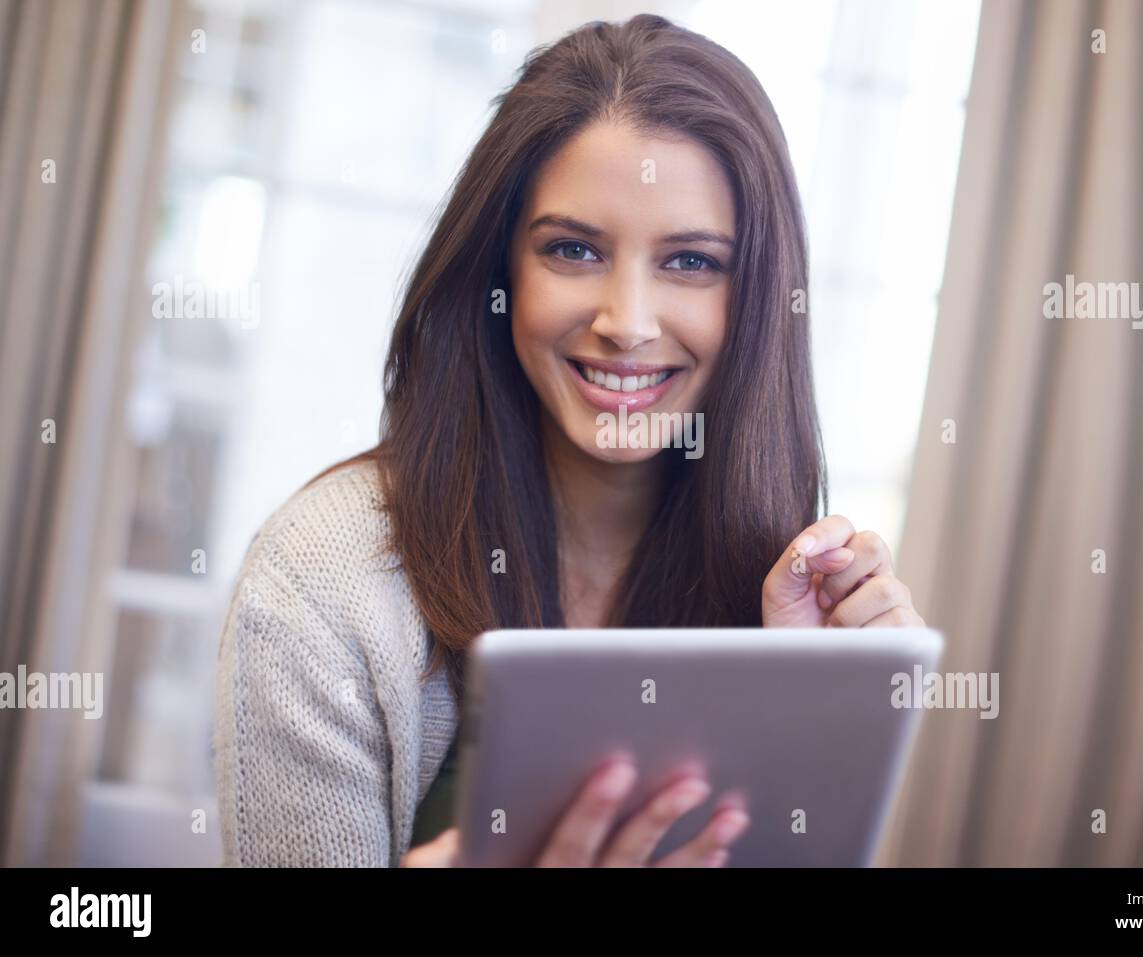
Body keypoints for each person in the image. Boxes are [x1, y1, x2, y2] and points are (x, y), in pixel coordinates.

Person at [213, 13, 924, 869]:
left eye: (691, 261)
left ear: (759, 298)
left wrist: (813, 720)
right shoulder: (320, 582)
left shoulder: (792, 602)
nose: (625, 324)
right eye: (574, 249)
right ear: (499, 270)